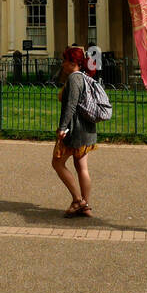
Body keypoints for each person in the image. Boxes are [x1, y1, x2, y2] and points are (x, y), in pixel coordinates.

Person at [52, 45, 97, 217]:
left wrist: (62, 128)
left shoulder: (74, 79)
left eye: (65, 61)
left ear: (73, 63)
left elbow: (70, 107)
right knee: (81, 167)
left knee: (57, 163)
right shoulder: (85, 77)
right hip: (87, 129)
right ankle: (85, 207)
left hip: (75, 130)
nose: (62, 64)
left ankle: (79, 200)